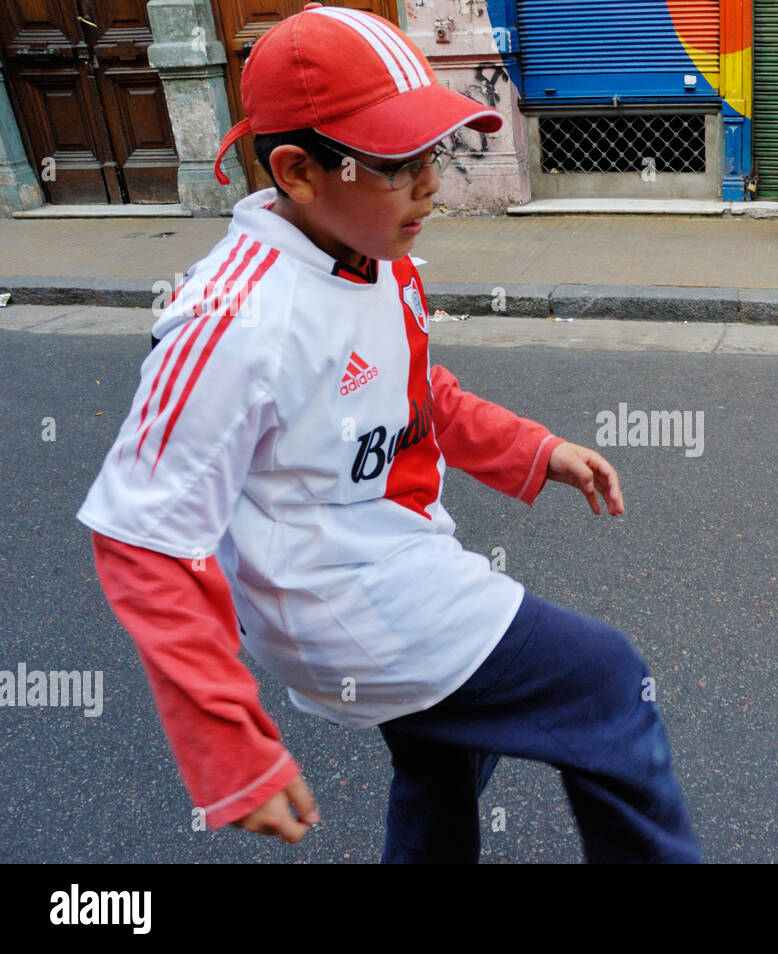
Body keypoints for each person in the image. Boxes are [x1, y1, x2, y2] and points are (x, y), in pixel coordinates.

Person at [77, 3, 699, 864]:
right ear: (297, 170)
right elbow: (141, 538)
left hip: (394, 561)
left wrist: (533, 449)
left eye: (432, 153)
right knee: (607, 682)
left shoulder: (371, 250)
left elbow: (419, 390)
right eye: (397, 163)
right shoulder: (232, 320)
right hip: (352, 606)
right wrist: (229, 747)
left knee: (446, 757)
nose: (431, 184)